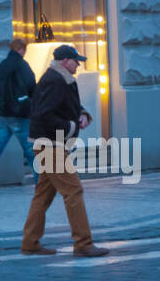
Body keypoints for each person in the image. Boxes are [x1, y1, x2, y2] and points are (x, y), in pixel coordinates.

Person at [20, 45, 109, 257]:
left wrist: (83, 114)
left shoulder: (61, 79)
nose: (78, 64)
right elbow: (44, 115)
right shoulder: (54, 80)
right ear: (65, 61)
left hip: (52, 143)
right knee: (73, 191)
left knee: (43, 195)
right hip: (50, 145)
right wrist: (71, 127)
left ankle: (30, 242)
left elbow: (68, 106)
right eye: (75, 60)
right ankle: (83, 243)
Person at [0, 37, 38, 194]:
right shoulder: (22, 65)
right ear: (22, 50)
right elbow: (32, 85)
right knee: (31, 150)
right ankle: (42, 184)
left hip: (2, 115)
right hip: (19, 115)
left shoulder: (1, 66)